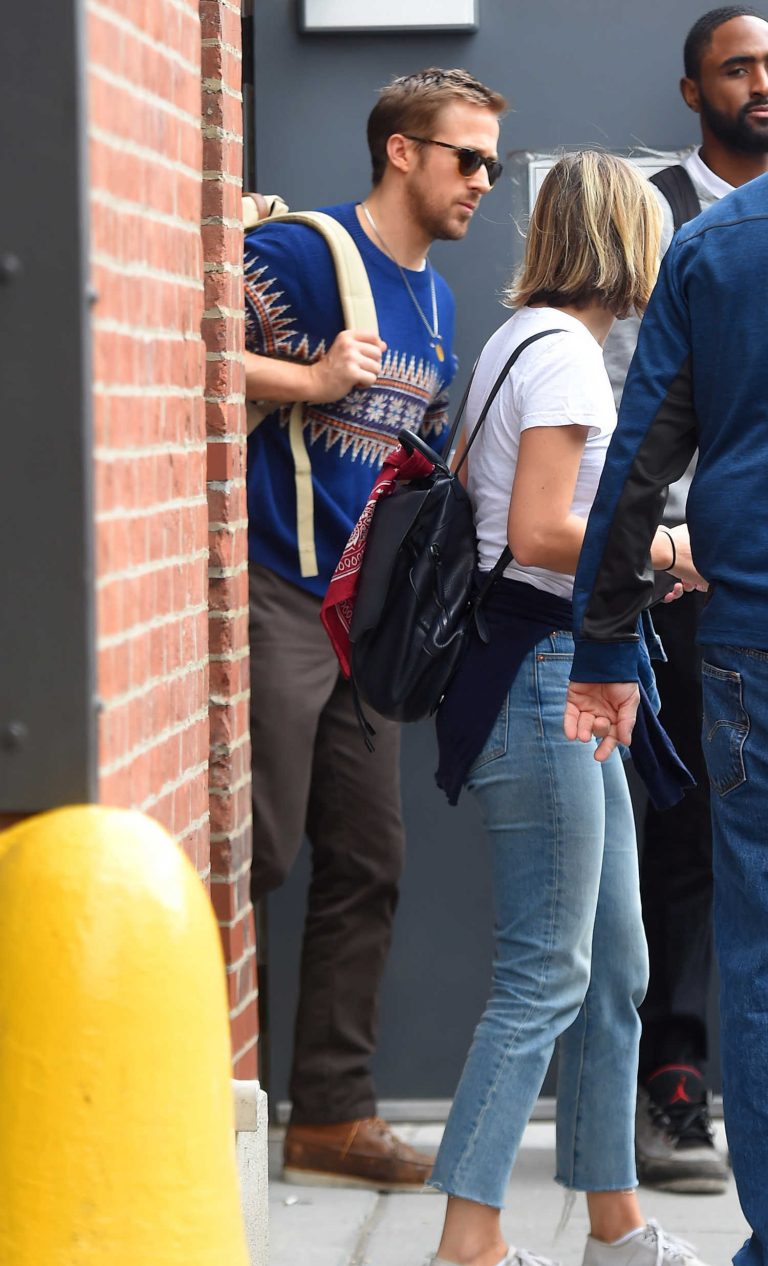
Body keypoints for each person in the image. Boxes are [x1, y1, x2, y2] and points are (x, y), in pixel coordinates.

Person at [426, 151, 709, 1266]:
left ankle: (616, 1227)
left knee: (616, 966)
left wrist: (637, 564)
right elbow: (543, 535)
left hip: (554, 670)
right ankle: (469, 1243)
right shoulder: (566, 362)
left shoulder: (523, 344)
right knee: (545, 971)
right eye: (656, 234)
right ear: (621, 241)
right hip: (543, 677)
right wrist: (665, 546)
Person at [243, 67, 506, 1189]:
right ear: (402, 152)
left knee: (371, 862)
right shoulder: (309, 251)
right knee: (255, 849)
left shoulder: (438, 300)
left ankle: (332, 1117)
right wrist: (304, 378)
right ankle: (193, 1095)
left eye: (491, 161)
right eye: (467, 158)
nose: (484, 181)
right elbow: (176, 350)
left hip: (367, 621)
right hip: (275, 592)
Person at [564, 159, 768, 1266]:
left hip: (751, 629)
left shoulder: (718, 244)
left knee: (763, 945)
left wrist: (604, 646)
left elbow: (638, 462)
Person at [602, 4, 768, 1195]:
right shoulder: (656, 213)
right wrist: (657, 547)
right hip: (695, 579)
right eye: (740, 67)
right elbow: (623, 404)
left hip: (736, 577)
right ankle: (677, 1085)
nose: (763, 83)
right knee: (690, 852)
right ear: (692, 88)